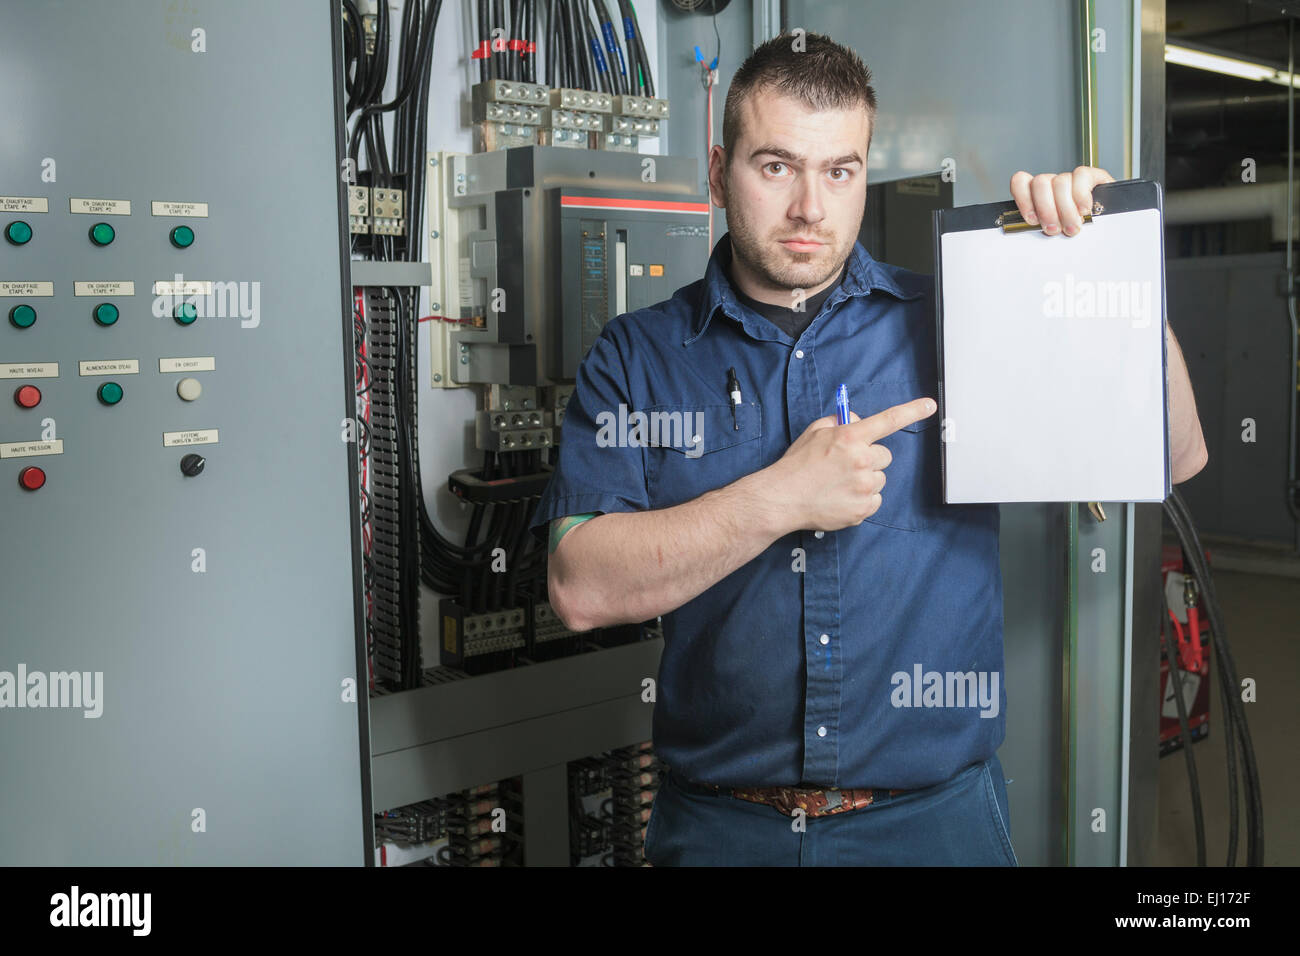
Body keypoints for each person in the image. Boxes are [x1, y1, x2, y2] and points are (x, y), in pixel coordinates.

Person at [528, 32, 1208, 866]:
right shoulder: (638, 356)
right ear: (718, 172)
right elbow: (580, 586)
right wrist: (781, 498)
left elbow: (1172, 453)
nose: (811, 207)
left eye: (840, 170)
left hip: (931, 828)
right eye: (776, 166)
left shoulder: (960, 319)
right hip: (721, 831)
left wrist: (1117, 261)